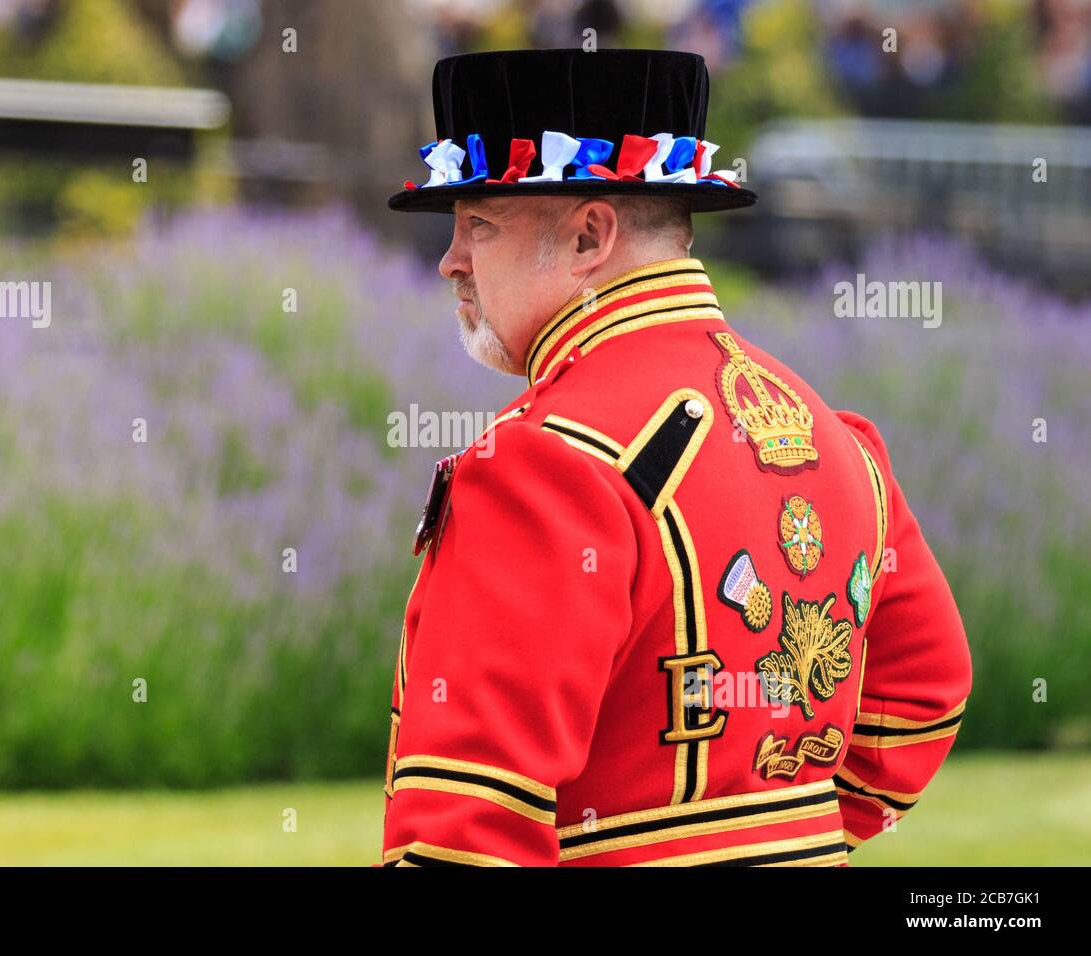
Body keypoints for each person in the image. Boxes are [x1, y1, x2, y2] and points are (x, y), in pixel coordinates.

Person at [378, 48, 971, 867]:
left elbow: (462, 831)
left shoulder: (537, 465)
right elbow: (921, 695)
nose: (451, 259)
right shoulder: (836, 438)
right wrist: (787, 837)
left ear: (589, 234)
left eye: (478, 222)